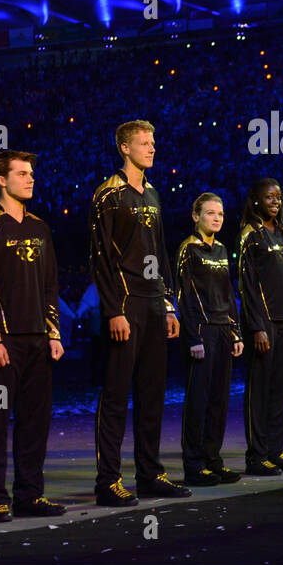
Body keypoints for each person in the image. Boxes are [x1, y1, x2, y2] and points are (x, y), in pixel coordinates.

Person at [89, 120, 188, 504]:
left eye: (153, 142)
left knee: (152, 393)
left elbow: (160, 254)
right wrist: (113, 310)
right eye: (144, 143)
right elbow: (100, 258)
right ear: (124, 149)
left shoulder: (153, 195)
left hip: (151, 303)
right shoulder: (108, 195)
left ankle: (150, 473)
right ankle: (108, 481)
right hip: (125, 303)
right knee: (116, 394)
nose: (152, 148)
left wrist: (167, 305)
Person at [0, 150, 66, 522]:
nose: (30, 179)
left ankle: (30, 495)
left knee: (35, 423)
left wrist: (53, 334)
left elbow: (50, 285)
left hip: (38, 343)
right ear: (2, 181)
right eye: (22, 174)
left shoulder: (40, 228)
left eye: (31, 174)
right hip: (4, 345)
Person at [176, 192, 244, 486]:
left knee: (219, 400)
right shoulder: (188, 250)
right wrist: (192, 337)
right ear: (196, 217)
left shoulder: (222, 250)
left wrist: (235, 331)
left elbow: (228, 295)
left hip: (223, 332)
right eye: (210, 213)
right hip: (201, 333)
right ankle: (193, 466)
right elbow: (185, 296)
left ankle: (212, 460)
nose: (216, 218)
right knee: (198, 402)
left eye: (220, 214)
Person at [238, 178, 283, 476]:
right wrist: (256, 327)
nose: (275, 201)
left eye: (278, 197)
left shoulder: (282, 234)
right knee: (260, 391)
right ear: (255, 201)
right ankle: (257, 455)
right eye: (269, 197)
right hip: (263, 325)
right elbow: (247, 285)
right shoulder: (250, 235)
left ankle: (275, 452)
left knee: (281, 389)